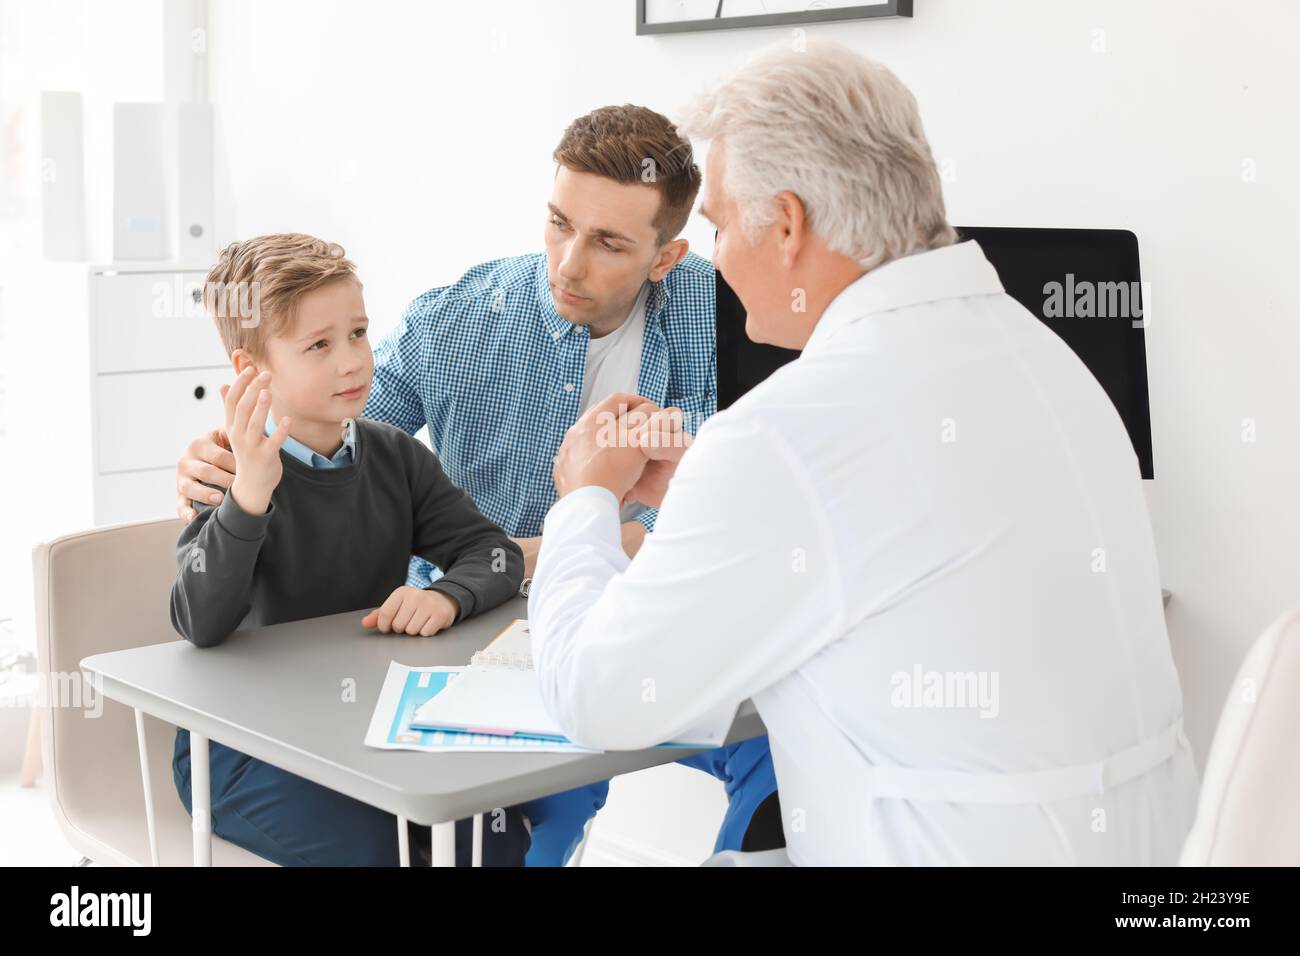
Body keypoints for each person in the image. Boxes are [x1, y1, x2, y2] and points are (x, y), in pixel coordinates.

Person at [528, 41, 1200, 865]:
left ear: (788, 224)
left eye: (721, 228)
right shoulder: (1042, 354)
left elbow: (599, 698)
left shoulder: (788, 433)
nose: (717, 259)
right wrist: (703, 499)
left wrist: (583, 499)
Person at [171, 106, 782, 866]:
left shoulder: (729, 312)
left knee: (777, 745)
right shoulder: (456, 322)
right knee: (522, 821)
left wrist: (594, 542)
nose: (567, 263)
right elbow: (331, 439)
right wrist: (227, 462)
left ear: (665, 256)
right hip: (484, 644)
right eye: (560, 224)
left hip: (654, 621)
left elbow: (755, 504)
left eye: (609, 243)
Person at [171, 232, 528, 866]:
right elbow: (199, 619)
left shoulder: (395, 456)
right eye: (319, 345)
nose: (352, 362)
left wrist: (447, 595)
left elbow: (494, 554)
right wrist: (250, 499)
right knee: (379, 852)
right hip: (242, 752)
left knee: (493, 838)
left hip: (363, 731)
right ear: (251, 369)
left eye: (358, 334)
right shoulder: (228, 470)